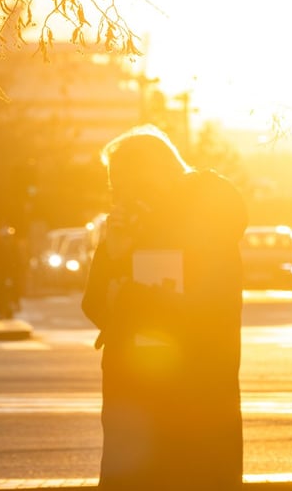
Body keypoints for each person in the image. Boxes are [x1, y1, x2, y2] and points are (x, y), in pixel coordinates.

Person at [81, 124, 248, 491]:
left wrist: (124, 296)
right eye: (114, 189)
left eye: (124, 186)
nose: (118, 198)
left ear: (154, 178)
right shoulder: (132, 227)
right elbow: (94, 304)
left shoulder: (207, 226)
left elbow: (196, 310)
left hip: (192, 406)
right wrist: (113, 252)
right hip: (132, 406)